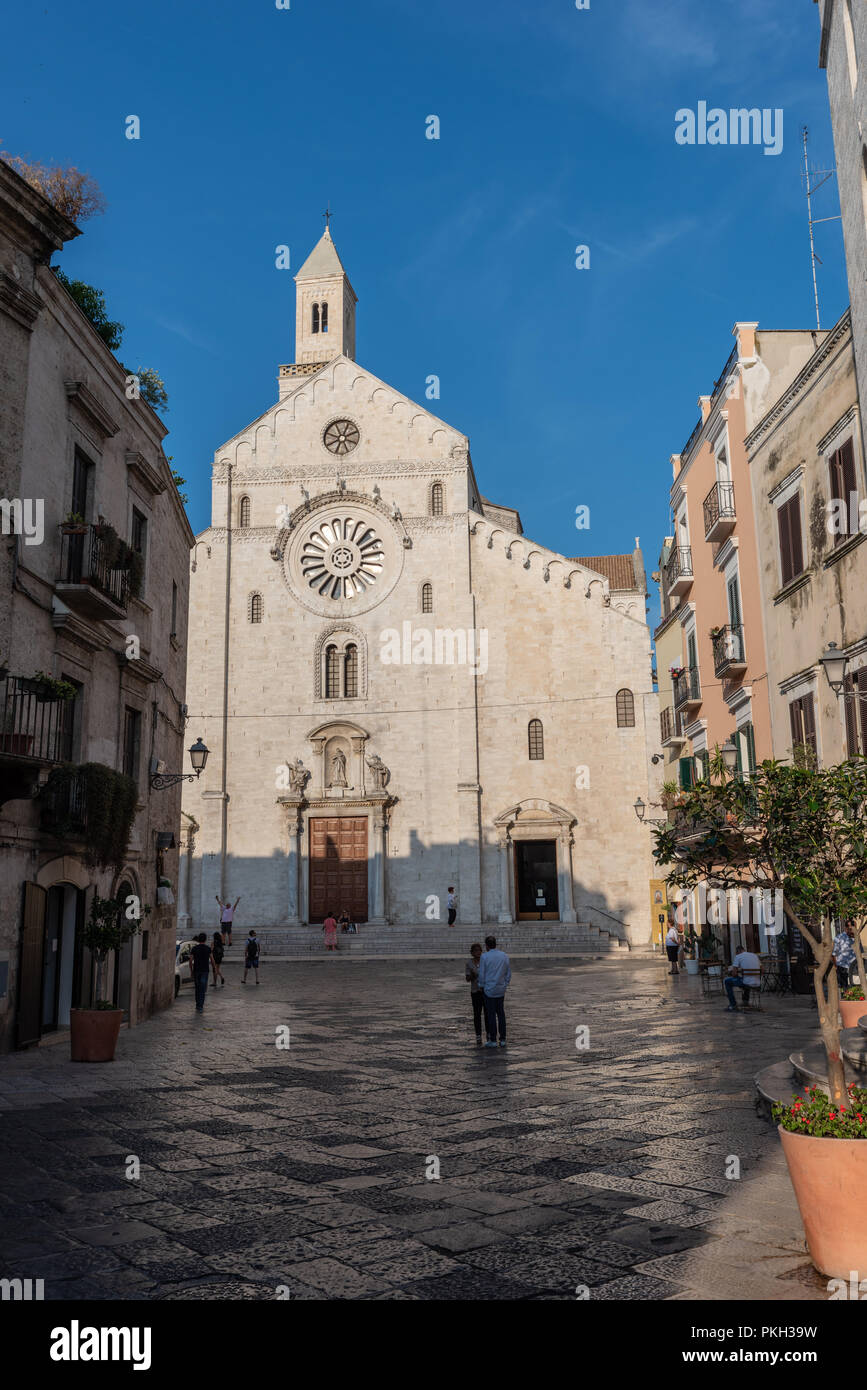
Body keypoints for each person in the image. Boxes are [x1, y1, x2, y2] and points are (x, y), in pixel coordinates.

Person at [478, 935, 511, 1048]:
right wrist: (505, 984)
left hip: (489, 989)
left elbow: (482, 974)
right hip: (500, 989)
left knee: (491, 1015)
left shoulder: (484, 957)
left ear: (486, 945)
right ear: (495, 944)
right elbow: (508, 973)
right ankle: (503, 1039)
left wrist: (481, 985)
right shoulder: (504, 956)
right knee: (501, 1014)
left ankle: (493, 1039)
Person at [724, 942, 762, 1011]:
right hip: (757, 982)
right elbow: (762, 970)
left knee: (727, 981)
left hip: (746, 983)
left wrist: (732, 972)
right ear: (744, 950)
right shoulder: (754, 955)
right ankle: (745, 1001)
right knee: (746, 979)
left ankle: (733, 1004)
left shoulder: (738, 956)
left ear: (737, 952)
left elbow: (734, 974)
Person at [465, 943, 486, 1045]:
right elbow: (467, 979)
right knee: (477, 1014)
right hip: (475, 991)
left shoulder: (485, 961)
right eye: (476, 950)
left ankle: (489, 1033)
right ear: (472, 953)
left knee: (487, 1013)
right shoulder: (469, 963)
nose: (478, 952)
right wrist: (472, 975)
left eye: (479, 950)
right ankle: (478, 1035)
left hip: (485, 991)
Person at [190, 933, 212, 1013]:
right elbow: (212, 959)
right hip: (205, 971)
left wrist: (191, 971)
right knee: (202, 989)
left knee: (197, 988)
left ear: (198, 939)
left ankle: (197, 1004)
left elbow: (190, 960)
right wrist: (214, 968)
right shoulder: (208, 948)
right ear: (205, 939)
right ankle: (200, 1006)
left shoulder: (194, 948)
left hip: (196, 970)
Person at [833, 923, 857, 992]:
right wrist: (835, 966)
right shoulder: (839, 938)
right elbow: (833, 954)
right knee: (844, 988)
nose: (853, 930)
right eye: (851, 928)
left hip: (854, 967)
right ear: (846, 928)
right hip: (842, 967)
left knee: (855, 986)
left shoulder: (855, 938)